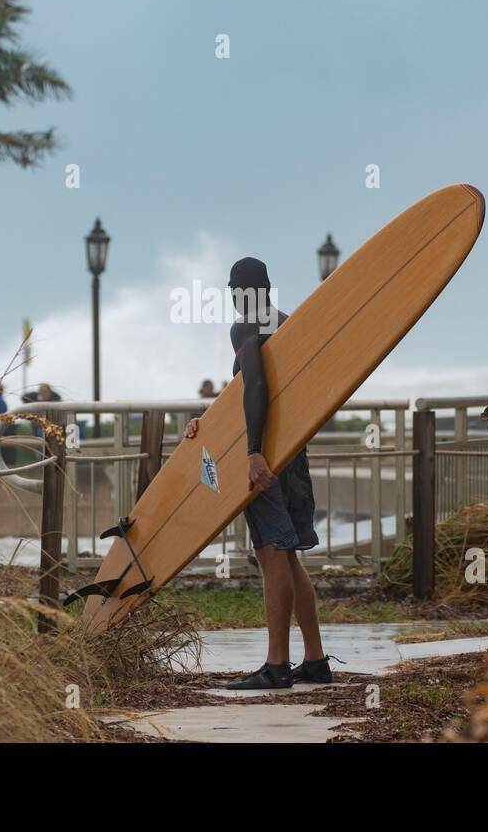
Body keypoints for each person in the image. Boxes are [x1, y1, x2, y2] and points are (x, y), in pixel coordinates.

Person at [185, 257, 335, 690]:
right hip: (293, 451)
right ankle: (314, 659)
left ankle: (276, 666)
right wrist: (209, 422)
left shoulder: (246, 324)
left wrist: (253, 453)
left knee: (271, 554)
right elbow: (268, 392)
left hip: (266, 456)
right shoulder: (285, 322)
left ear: (237, 291)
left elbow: (257, 385)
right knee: (287, 556)